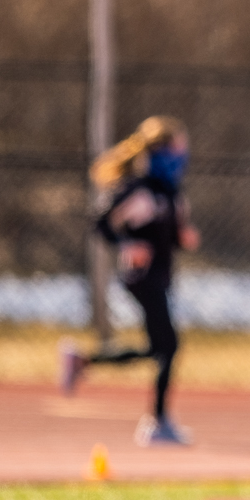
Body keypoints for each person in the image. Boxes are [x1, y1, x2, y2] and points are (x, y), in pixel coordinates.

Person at [59, 116, 200, 446]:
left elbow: (171, 236)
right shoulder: (138, 190)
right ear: (160, 151)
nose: (182, 157)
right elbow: (101, 222)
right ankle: (157, 422)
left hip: (161, 276)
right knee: (169, 347)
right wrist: (126, 243)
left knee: (157, 349)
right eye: (177, 149)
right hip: (141, 278)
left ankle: (82, 360)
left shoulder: (172, 194)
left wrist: (184, 237)